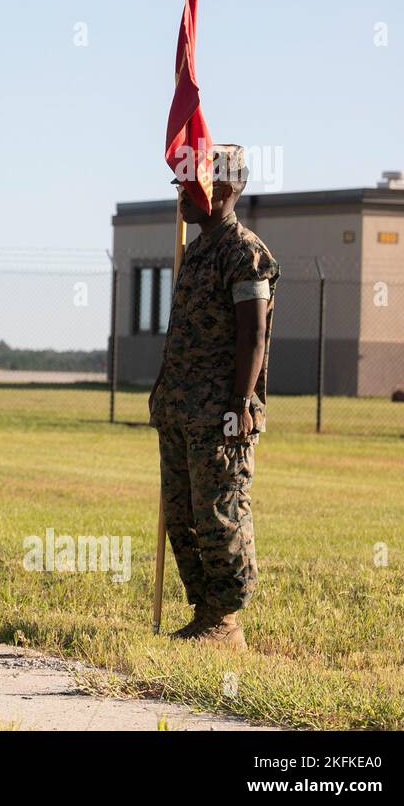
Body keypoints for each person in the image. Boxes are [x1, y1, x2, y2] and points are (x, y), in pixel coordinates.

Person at [150, 144, 278, 652]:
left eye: (189, 184)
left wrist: (241, 403)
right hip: (181, 407)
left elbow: (253, 335)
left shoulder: (244, 252)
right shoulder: (198, 248)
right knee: (182, 515)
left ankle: (225, 620)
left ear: (221, 190)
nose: (181, 193)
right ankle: (204, 612)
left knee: (220, 512)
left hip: (221, 413)